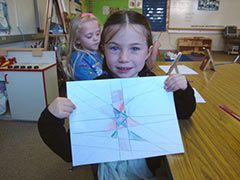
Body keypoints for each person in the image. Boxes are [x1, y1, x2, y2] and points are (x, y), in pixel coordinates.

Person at [38, 10, 196, 179]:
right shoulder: (94, 92)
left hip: (149, 174)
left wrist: (183, 89)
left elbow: (185, 112)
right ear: (103, 49)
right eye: (114, 48)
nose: (123, 58)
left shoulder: (155, 87)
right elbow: (69, 151)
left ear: (148, 52)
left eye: (135, 48)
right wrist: (50, 118)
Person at [66, 13, 103, 80]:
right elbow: (93, 84)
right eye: (89, 36)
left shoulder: (97, 52)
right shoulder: (79, 60)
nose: (96, 38)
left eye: (98, 34)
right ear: (77, 40)